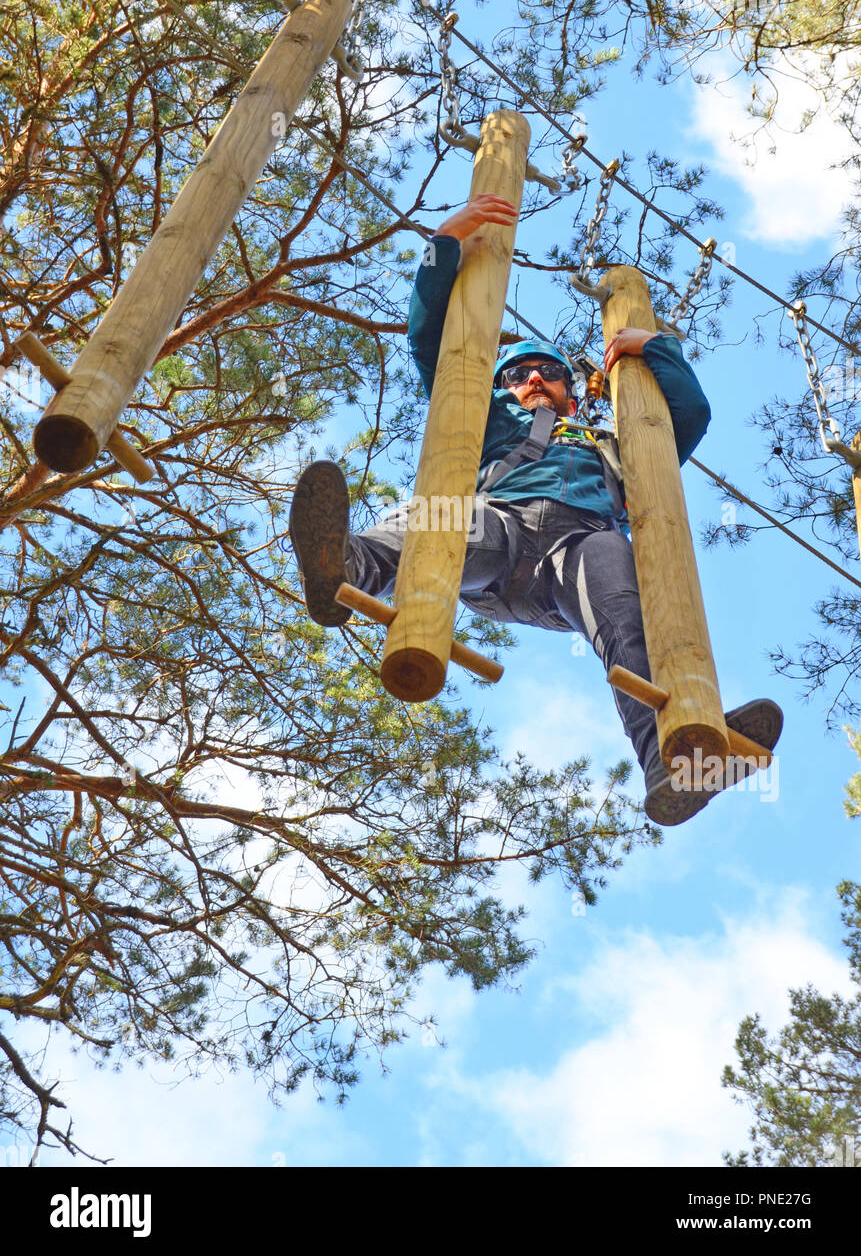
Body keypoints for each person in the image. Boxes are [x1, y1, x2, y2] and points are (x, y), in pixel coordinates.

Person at [288, 193, 782, 826]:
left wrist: (655, 350)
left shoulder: (622, 448)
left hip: (576, 552)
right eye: (519, 374)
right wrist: (444, 250)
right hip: (497, 535)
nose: (534, 381)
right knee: (442, 516)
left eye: (548, 373)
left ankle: (678, 759)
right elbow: (435, 347)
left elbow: (690, 416)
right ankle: (347, 569)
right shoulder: (491, 419)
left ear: (572, 391)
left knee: (625, 606)